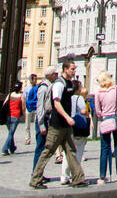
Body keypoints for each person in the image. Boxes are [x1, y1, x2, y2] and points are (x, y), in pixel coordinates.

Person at [29, 57, 87, 189]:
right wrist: (67, 117)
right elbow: (56, 103)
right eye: (72, 69)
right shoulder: (59, 84)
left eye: (74, 69)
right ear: (65, 69)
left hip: (66, 125)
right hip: (57, 124)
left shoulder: (69, 83)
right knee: (48, 150)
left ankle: (78, 179)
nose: (74, 71)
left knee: (71, 150)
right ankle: (35, 179)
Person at [93, 71, 117, 184]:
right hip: (116, 118)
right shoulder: (115, 88)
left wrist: (103, 116)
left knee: (105, 148)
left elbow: (97, 110)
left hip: (105, 119)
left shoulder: (98, 92)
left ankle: (102, 177)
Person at [62, 79, 90, 184]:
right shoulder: (79, 98)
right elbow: (83, 111)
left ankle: (64, 176)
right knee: (78, 151)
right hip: (78, 127)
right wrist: (86, 114)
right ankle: (76, 175)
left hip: (68, 126)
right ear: (77, 89)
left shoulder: (66, 97)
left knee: (67, 152)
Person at [32, 67, 58, 170]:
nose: (56, 75)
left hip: (47, 119)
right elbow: (40, 107)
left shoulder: (49, 85)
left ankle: (39, 172)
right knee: (40, 148)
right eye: (55, 73)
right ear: (51, 75)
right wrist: (41, 124)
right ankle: (36, 172)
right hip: (42, 120)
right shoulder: (43, 87)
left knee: (44, 148)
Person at [2, 80, 25, 154]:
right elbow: (23, 108)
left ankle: (12, 147)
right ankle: (4, 149)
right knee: (11, 133)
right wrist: (24, 117)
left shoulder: (10, 95)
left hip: (8, 116)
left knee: (10, 133)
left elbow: (4, 104)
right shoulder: (21, 96)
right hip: (16, 116)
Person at [24, 73, 39, 146]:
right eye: (35, 79)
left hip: (36, 108)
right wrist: (24, 108)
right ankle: (27, 139)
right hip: (28, 107)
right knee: (27, 125)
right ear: (31, 80)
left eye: (36, 79)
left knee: (37, 123)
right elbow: (24, 98)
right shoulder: (27, 88)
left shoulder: (38, 87)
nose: (36, 80)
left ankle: (37, 137)